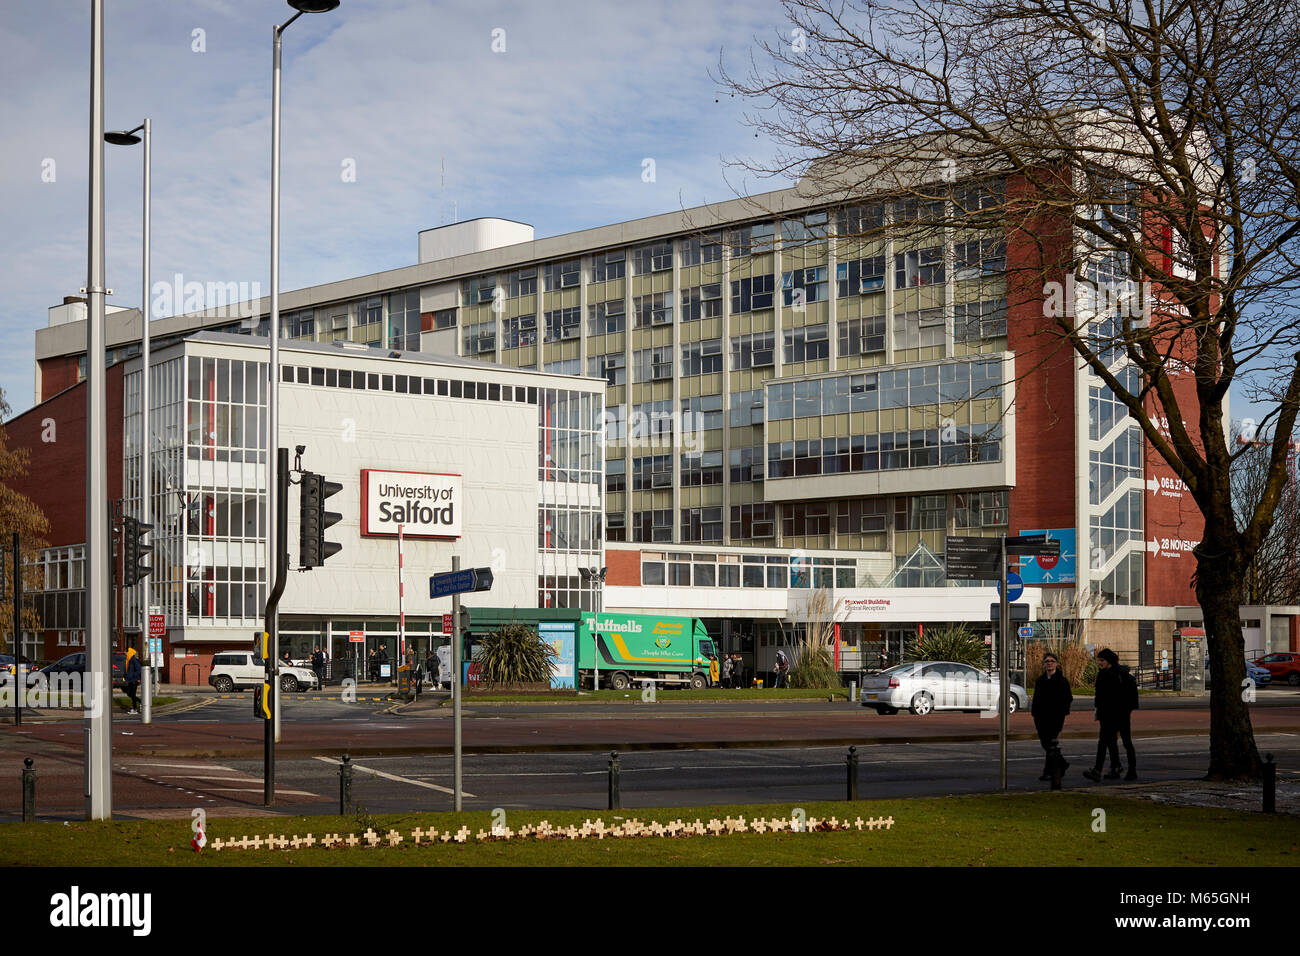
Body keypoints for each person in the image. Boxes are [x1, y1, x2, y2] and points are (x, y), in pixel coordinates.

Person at [1083, 648, 1139, 782]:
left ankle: (1130, 770)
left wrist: (1125, 711)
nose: (1099, 663)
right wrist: (1098, 710)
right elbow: (1099, 696)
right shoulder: (1102, 675)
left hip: (1120, 715)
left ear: (1109, 661)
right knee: (1106, 742)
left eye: (1102, 660)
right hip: (1106, 715)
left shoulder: (1122, 675)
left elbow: (1132, 698)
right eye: (1099, 660)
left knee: (1125, 742)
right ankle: (1111, 767)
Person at [1030, 652, 1072, 781]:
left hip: (1055, 717)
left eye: (1052, 661)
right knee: (1046, 743)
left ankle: (1049, 771)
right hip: (1041, 717)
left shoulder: (1062, 681)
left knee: (1050, 743)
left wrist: (1062, 711)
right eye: (1047, 661)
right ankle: (1062, 763)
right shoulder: (1040, 680)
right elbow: (1036, 698)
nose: (1049, 663)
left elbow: (1067, 698)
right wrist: (1035, 714)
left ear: (1056, 664)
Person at [123, 645, 142, 715]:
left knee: (132, 694)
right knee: (129, 694)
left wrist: (133, 676)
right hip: (130, 680)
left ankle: (135, 709)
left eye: (126, 652)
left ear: (129, 652)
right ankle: (141, 703)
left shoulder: (134, 660)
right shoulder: (129, 660)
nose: (125, 653)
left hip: (134, 680)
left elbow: (139, 670)